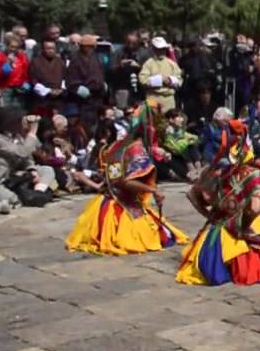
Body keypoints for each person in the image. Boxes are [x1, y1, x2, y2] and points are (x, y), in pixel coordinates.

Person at [176, 121, 260, 285]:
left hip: (216, 233)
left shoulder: (214, 170)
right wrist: (244, 227)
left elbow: (192, 195)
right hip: (237, 232)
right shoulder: (252, 174)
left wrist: (210, 215)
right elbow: (255, 208)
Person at [65, 105, 189, 255]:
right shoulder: (135, 149)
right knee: (149, 237)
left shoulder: (116, 146)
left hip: (106, 201)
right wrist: (153, 190)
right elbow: (125, 182)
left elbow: (116, 178)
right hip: (123, 203)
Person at [140, 37, 183, 111]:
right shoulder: (148, 64)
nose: (161, 51)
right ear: (154, 49)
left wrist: (170, 80)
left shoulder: (172, 64)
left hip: (168, 99)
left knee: (168, 121)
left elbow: (179, 79)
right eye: (158, 49)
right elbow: (143, 80)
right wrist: (160, 80)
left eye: (163, 49)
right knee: (153, 121)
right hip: (153, 97)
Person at [0, 33, 30, 110]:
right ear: (7, 46)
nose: (13, 49)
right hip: (4, 89)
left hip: (19, 90)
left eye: (16, 47)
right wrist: (8, 64)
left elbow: (26, 73)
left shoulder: (22, 56)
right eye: (12, 47)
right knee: (4, 112)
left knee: (17, 113)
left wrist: (26, 85)